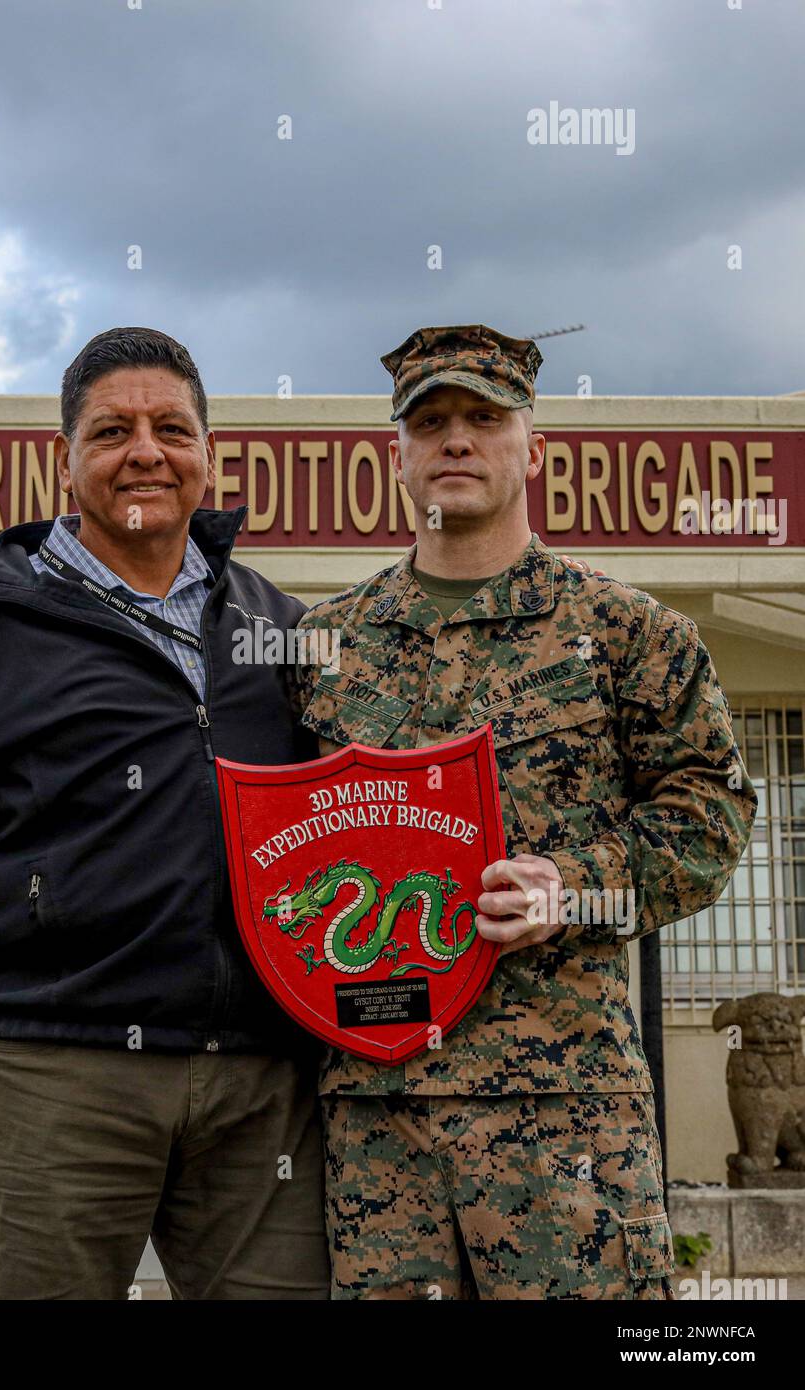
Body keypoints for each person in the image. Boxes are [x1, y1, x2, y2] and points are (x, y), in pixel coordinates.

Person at [0, 327, 330, 1301]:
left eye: (171, 428)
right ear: (64, 461)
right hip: (58, 1081)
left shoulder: (280, 629)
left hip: (262, 1089)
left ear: (207, 455)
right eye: (113, 430)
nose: (146, 450)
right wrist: (30, 986)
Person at [295, 323, 757, 1300]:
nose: (455, 440)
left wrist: (578, 887)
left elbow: (709, 810)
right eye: (429, 422)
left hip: (565, 1108)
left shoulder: (630, 635)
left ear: (531, 445)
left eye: (483, 416)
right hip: (374, 1116)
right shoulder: (319, 648)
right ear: (397, 455)